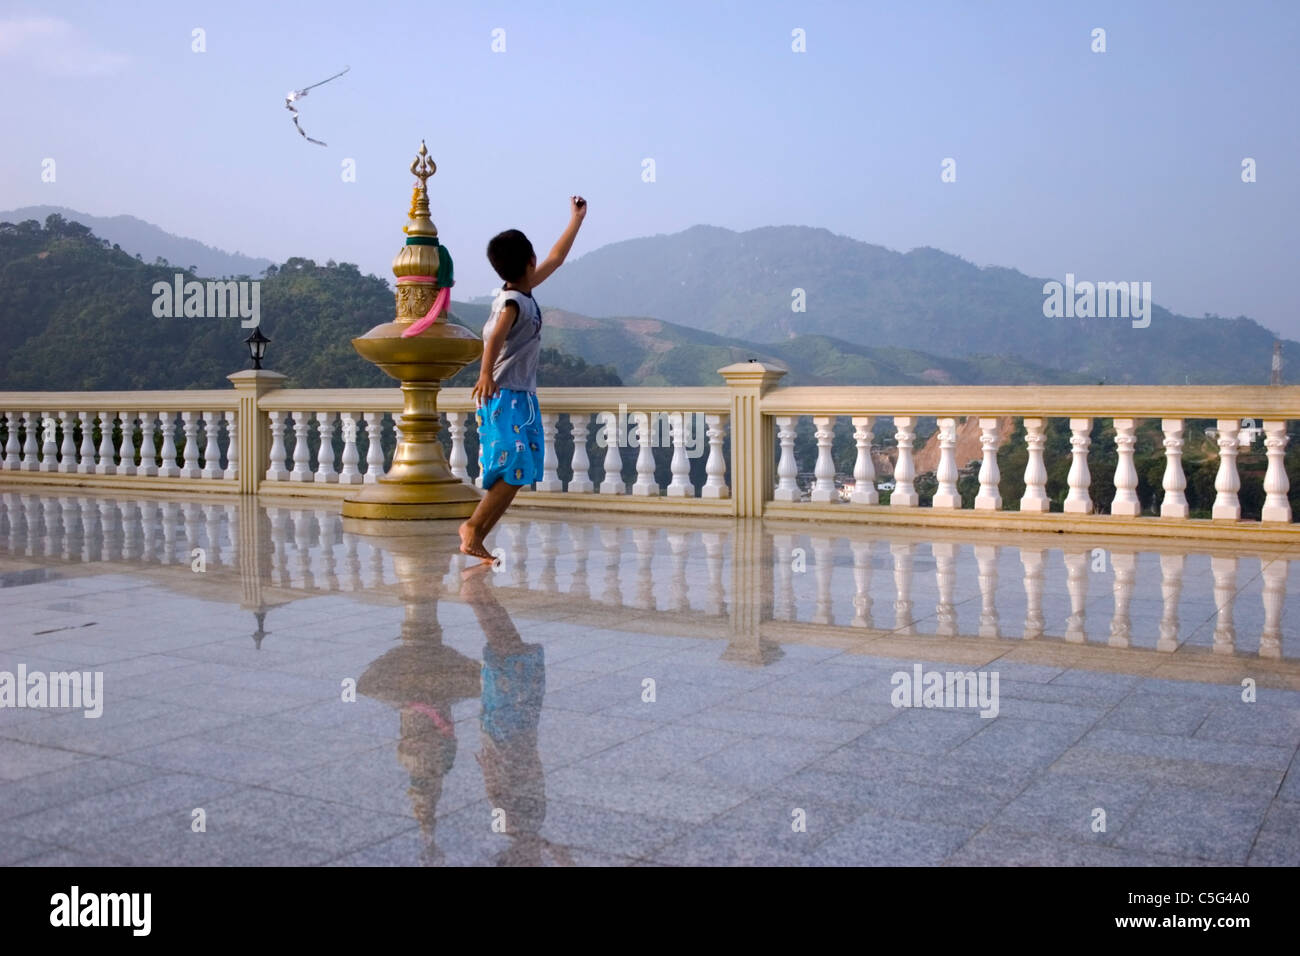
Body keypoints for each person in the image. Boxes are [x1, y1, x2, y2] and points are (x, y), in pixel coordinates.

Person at [458, 196, 587, 562]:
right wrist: (485, 373)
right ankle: (472, 527)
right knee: (514, 470)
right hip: (504, 396)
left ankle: (475, 534)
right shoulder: (514, 302)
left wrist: (575, 220)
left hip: (520, 396)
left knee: (521, 470)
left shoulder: (521, 291)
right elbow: (496, 336)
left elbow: (557, 259)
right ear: (529, 261)